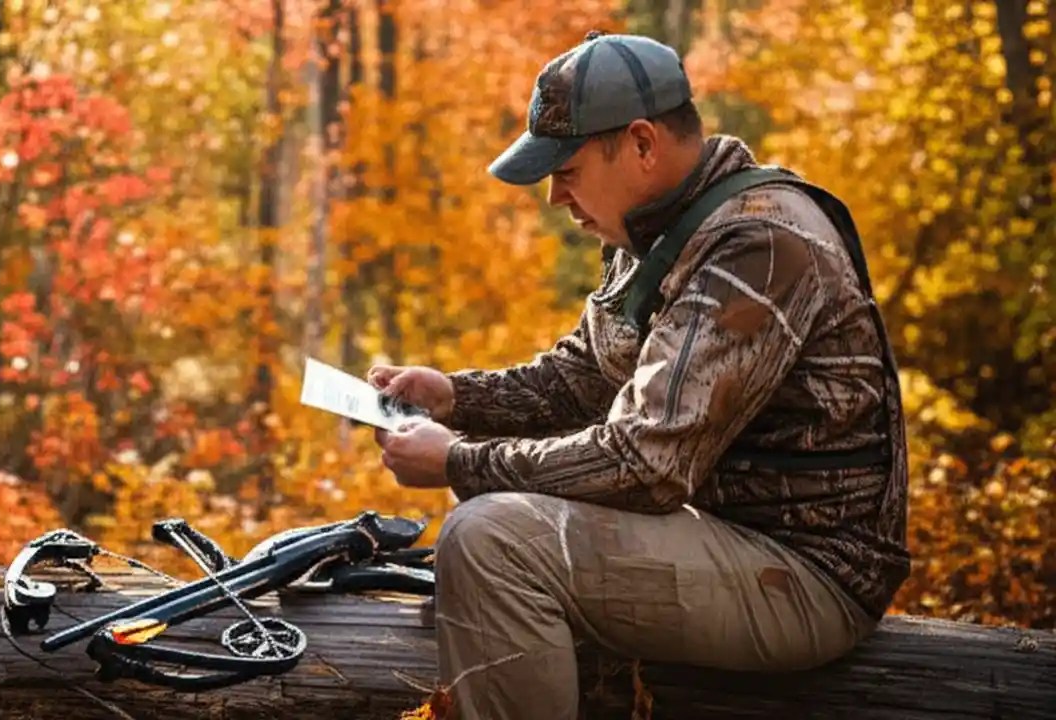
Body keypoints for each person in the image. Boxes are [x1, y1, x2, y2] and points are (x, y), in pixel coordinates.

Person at [367, 30, 910, 720]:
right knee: (492, 523)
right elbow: (586, 376)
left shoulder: (759, 244)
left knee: (489, 539)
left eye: (567, 169)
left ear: (643, 144)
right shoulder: (656, 229)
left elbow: (647, 464)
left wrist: (461, 463)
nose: (555, 196)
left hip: (806, 577)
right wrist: (454, 396)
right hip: (722, 537)